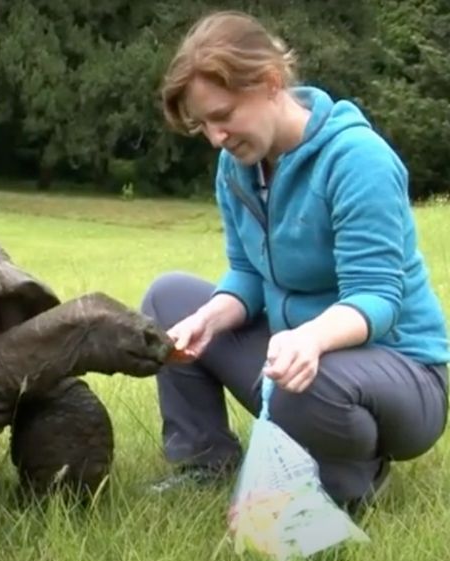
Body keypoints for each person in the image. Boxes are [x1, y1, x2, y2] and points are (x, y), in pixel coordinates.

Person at [140, 9, 449, 512]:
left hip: (403, 375)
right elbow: (247, 273)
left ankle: (350, 482)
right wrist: (206, 320)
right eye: (204, 125)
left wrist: (309, 339)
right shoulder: (236, 166)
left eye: (222, 116)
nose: (216, 136)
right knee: (168, 299)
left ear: (269, 82)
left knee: (303, 377)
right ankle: (207, 463)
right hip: (301, 358)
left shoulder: (357, 159)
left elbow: (377, 298)